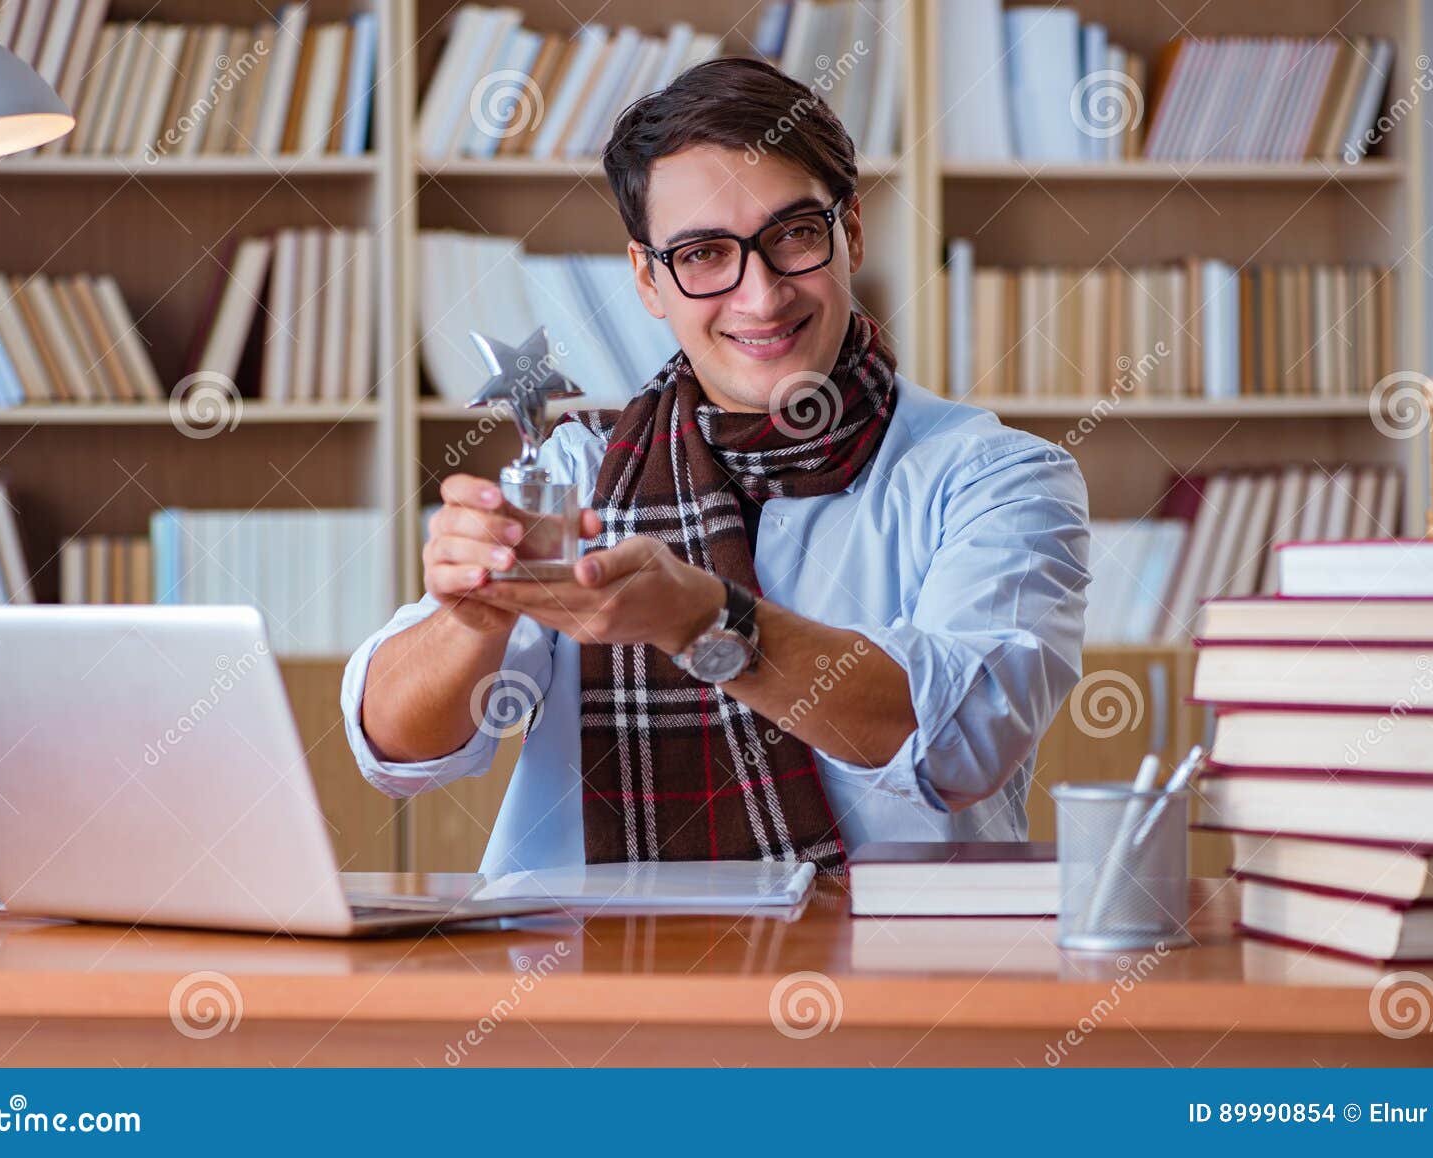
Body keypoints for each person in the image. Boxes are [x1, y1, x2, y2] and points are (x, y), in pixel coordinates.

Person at [342, 57, 1089, 874]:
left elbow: (960, 741)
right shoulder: (580, 467)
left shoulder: (1000, 477)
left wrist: (704, 622)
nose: (760, 297)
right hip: (584, 970)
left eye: (795, 234)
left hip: (891, 980)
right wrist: (470, 622)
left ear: (853, 235)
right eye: (703, 255)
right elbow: (396, 750)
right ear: (648, 280)